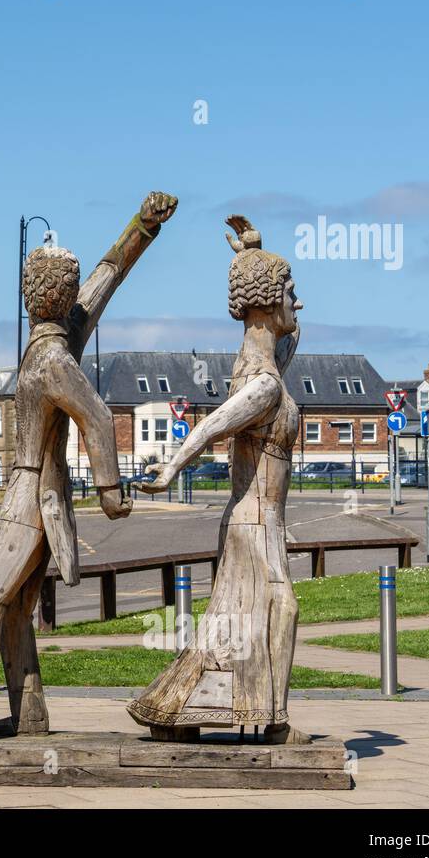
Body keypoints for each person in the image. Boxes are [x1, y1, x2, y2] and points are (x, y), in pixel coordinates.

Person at [0, 192, 178, 744]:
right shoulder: (63, 340)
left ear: (29, 296)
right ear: (64, 298)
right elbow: (107, 279)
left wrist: (108, 491)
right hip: (38, 491)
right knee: (12, 609)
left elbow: (100, 418)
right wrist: (143, 229)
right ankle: (29, 714)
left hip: (31, 493)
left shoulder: (53, 360)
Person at [130, 215, 308, 745]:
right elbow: (210, 425)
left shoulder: (267, 366)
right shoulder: (262, 388)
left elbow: (289, 335)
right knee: (279, 608)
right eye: (290, 294)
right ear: (267, 302)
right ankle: (264, 716)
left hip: (263, 522)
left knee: (242, 619)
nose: (297, 303)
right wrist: (173, 465)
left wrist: (253, 255)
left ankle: (235, 710)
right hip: (252, 524)